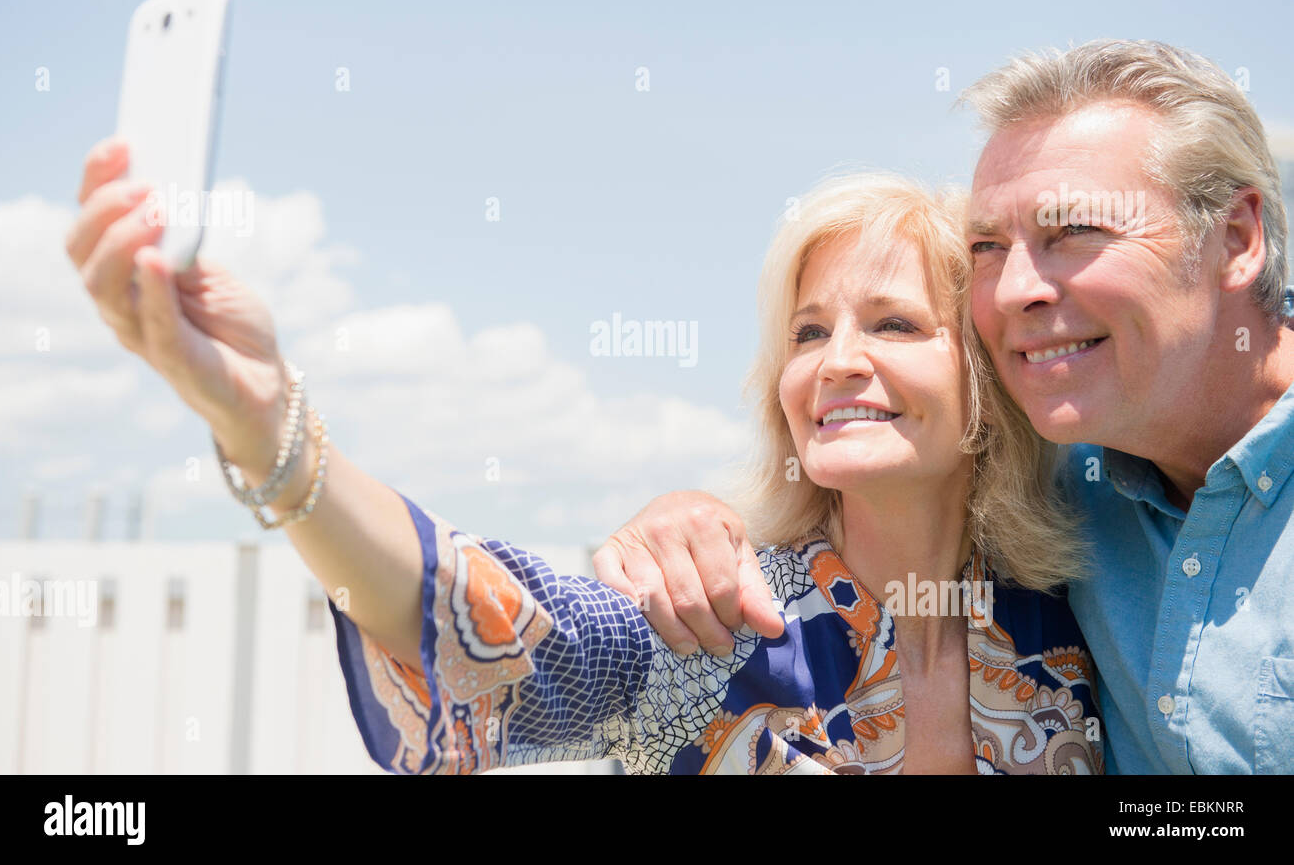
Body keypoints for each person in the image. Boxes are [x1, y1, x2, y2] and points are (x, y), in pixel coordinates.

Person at [69, 151, 1099, 772]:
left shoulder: (1084, 618)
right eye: (805, 332)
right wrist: (269, 426)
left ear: (980, 385)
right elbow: (461, 622)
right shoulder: (715, 623)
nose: (837, 363)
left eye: (891, 322)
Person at [595, 39, 1294, 774]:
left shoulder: (1045, 602)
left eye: (1074, 230)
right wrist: (678, 524)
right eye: (989, 244)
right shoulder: (1081, 495)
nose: (1017, 287)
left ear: (1238, 239)